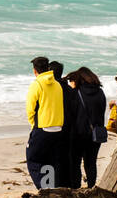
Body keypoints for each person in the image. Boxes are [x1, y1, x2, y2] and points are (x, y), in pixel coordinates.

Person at [25, 57, 67, 188]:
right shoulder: (57, 84)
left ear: (35, 71)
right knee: (50, 162)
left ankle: (44, 189)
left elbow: (30, 109)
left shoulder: (36, 84)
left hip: (42, 129)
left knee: (33, 160)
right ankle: (51, 187)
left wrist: (33, 126)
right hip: (58, 129)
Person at [66, 66, 107, 187]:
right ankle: (91, 187)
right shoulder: (100, 92)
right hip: (95, 133)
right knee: (91, 163)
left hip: (78, 134)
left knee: (75, 162)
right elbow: (102, 111)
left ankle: (76, 187)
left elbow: (71, 114)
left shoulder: (76, 92)